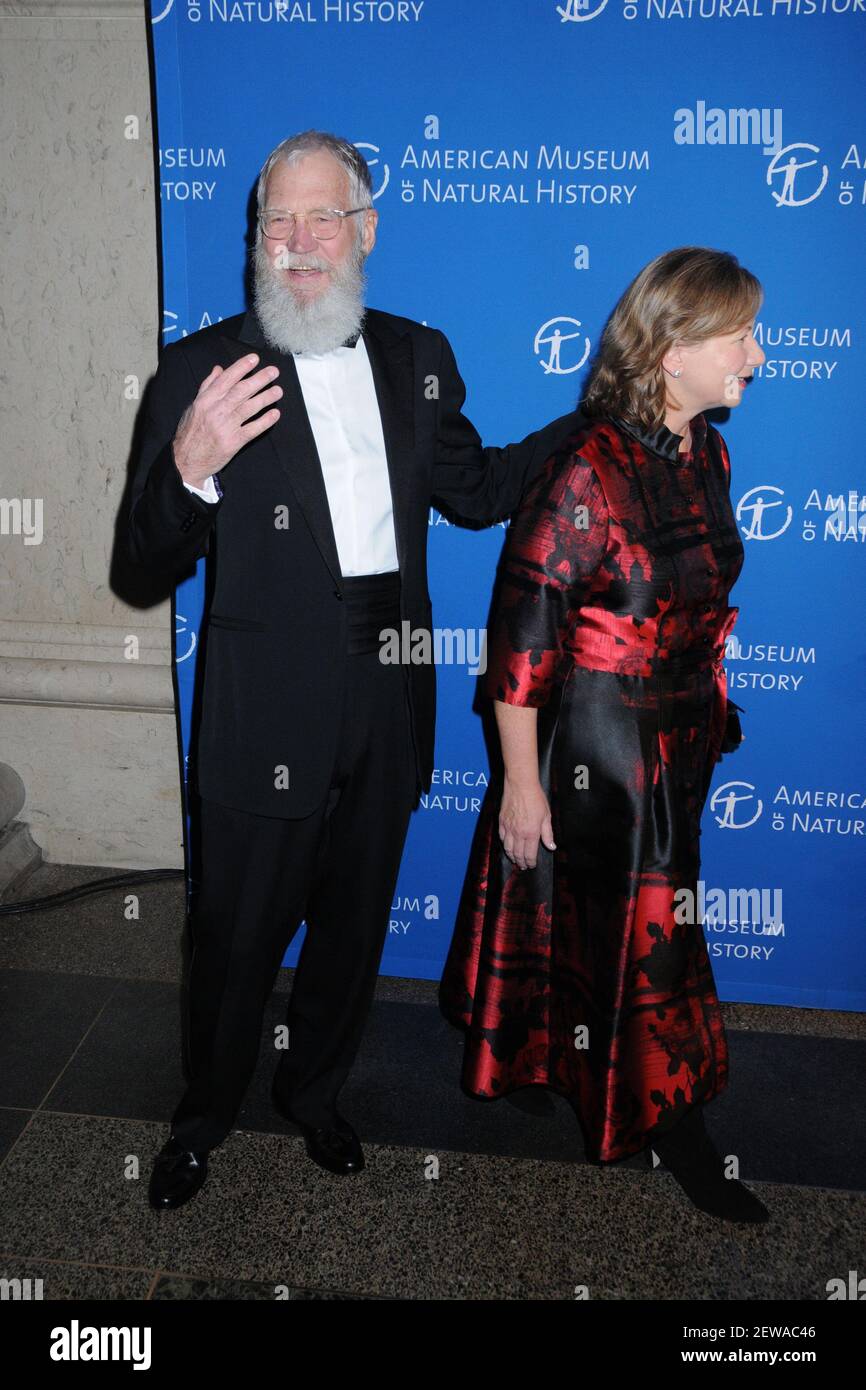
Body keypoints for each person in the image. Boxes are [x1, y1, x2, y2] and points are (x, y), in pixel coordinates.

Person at [125, 129, 583, 1210]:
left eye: (319, 217)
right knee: (233, 936)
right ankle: (203, 1116)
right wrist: (189, 467)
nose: (295, 242)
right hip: (261, 705)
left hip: (389, 689)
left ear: (363, 231)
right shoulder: (201, 369)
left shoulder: (418, 358)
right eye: (273, 221)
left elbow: (476, 490)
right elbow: (141, 565)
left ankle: (315, 1093)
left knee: (352, 920)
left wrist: (594, 418)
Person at [440, 247, 770, 1223]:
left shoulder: (704, 449)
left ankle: (585, 1074)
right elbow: (520, 637)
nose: (755, 352)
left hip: (678, 744)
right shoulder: (586, 465)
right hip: (598, 755)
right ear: (671, 352)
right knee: (651, 948)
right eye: (737, 334)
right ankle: (678, 1133)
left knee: (611, 939)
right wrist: (519, 788)